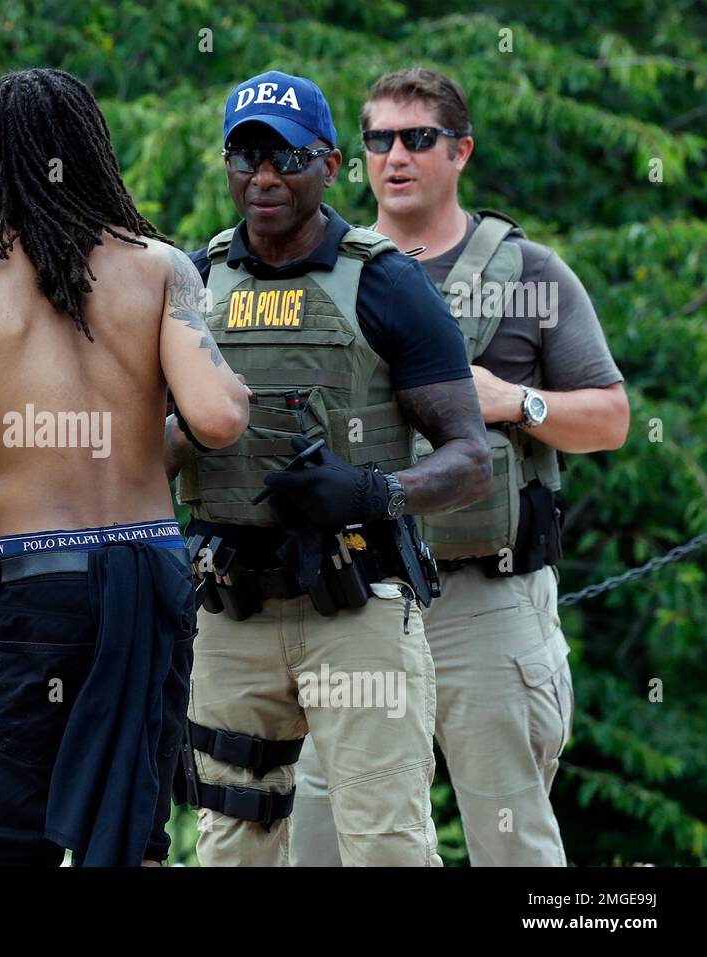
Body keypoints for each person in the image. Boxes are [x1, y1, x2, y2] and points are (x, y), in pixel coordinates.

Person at [0, 67, 248, 867]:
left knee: (3, 839)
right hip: (147, 576)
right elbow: (214, 418)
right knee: (131, 837)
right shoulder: (164, 269)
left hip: (34, 579)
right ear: (94, 152)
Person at [290, 68, 628, 867]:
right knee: (318, 836)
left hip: (486, 595)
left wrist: (516, 401)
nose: (396, 156)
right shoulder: (321, 268)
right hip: (354, 600)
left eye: (418, 138)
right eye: (378, 139)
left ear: (461, 150)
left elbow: (612, 418)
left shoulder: (529, 273)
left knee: (510, 840)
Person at [164, 69, 492, 867]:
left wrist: (376, 491)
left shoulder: (383, 280)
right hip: (231, 606)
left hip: (356, 606)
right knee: (233, 842)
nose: (264, 177)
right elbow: (142, 442)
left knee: (384, 843)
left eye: (286, 158)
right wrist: (193, 435)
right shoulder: (193, 281)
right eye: (246, 158)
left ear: (330, 165)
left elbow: (471, 459)